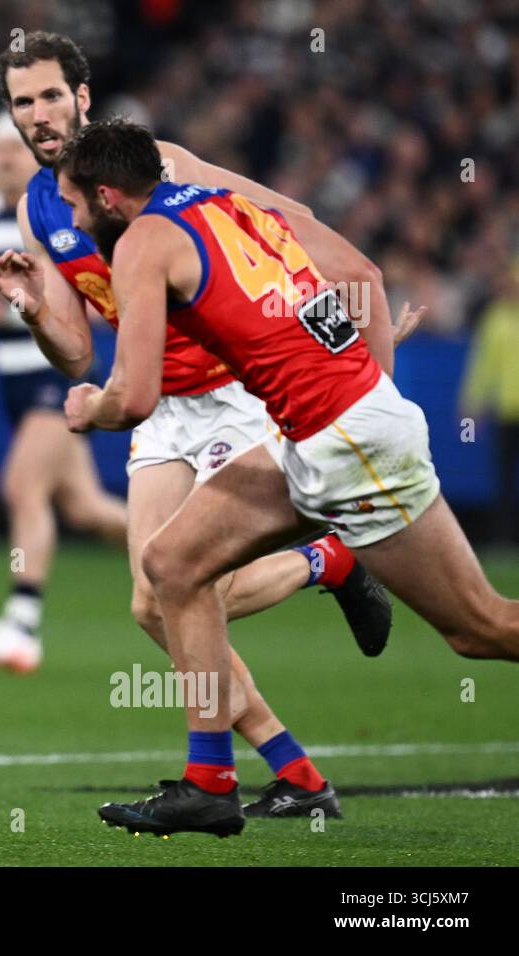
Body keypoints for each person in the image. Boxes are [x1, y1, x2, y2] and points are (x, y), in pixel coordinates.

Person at [54, 119, 517, 839]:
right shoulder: (217, 202)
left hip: (348, 441)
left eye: (77, 203)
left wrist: (90, 407)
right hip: (323, 431)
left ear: (109, 195)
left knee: (480, 629)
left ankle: (323, 580)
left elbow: (135, 397)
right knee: (173, 566)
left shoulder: (142, 241)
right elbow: (320, 284)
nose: (74, 219)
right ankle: (210, 784)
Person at [0, 32, 397, 819]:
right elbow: (76, 353)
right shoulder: (36, 209)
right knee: (153, 603)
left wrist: (342, 325)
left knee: (188, 584)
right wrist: (36, 308)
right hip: (160, 404)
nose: (37, 115)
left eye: (48, 95)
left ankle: (325, 566)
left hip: (237, 389)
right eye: (21, 102)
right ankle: (298, 772)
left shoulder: (160, 167)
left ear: (83, 95)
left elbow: (285, 218)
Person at [0, 113, 126, 673]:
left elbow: (94, 289)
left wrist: (41, 308)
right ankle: (195, 560)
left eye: (13, 149)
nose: (4, 158)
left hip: (57, 371)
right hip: (10, 378)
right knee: (87, 510)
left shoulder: (57, 212)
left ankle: (22, 623)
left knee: (21, 487)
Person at [460, 258, 519, 548]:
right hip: (505, 412)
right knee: (503, 479)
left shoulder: (497, 317)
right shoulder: (495, 318)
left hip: (507, 410)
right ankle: (504, 538)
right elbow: (482, 365)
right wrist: (471, 407)